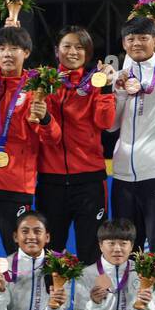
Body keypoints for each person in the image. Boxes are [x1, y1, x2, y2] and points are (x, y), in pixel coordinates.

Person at [0, 26, 61, 255]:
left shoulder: (36, 88)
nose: (7, 53)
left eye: (14, 48)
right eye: (1, 48)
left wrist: (45, 117)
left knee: (17, 257)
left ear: (26, 53)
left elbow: (52, 138)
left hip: (16, 187)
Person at [37, 26, 116, 254]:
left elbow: (105, 122)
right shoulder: (43, 84)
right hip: (51, 181)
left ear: (88, 53)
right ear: (56, 50)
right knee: (52, 251)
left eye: (79, 47)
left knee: (91, 250)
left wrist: (106, 89)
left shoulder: (95, 82)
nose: (73, 52)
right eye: (67, 46)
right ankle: (53, 292)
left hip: (89, 181)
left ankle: (92, 292)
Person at [111, 16, 155, 250]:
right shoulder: (118, 76)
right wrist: (119, 93)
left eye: (143, 38)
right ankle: (129, 289)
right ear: (123, 44)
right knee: (126, 247)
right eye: (131, 39)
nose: (137, 43)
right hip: (122, 175)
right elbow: (110, 126)